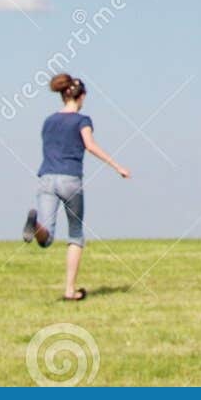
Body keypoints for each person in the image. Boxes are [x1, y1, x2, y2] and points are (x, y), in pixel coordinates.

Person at [22, 73, 131, 300]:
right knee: (75, 234)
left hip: (46, 178)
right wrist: (117, 166)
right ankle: (70, 291)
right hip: (70, 179)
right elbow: (89, 146)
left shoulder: (49, 121)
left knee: (47, 237)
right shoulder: (82, 120)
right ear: (80, 97)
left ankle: (36, 226)